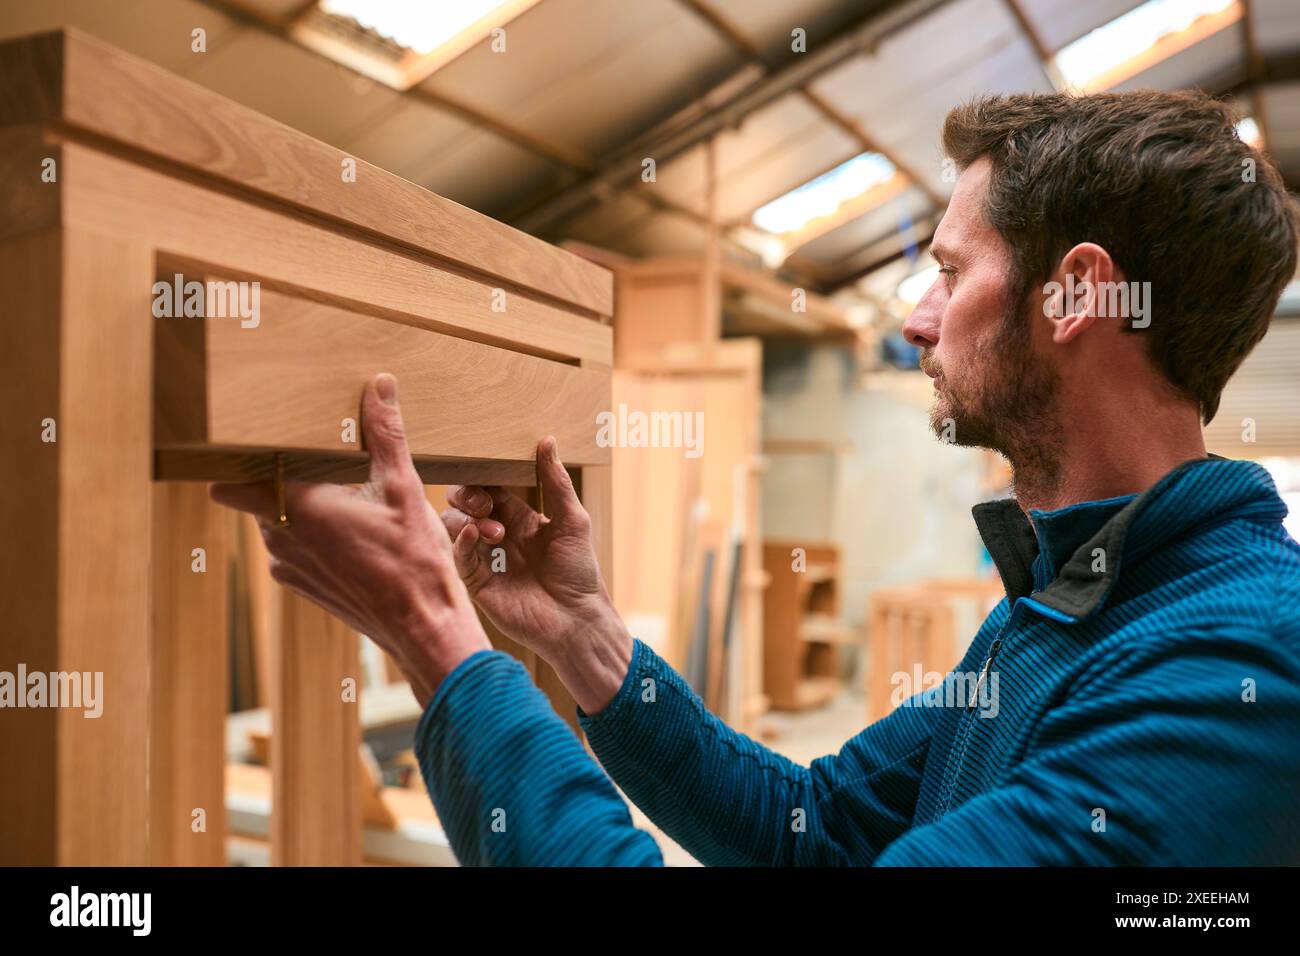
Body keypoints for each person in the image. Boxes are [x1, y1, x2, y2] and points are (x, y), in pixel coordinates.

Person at [212, 89, 1300, 865]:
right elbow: (810, 824)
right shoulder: (1069, 603)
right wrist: (585, 639)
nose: (914, 320)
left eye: (950, 272)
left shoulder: (1234, 667)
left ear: (1075, 298)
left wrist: (439, 643)